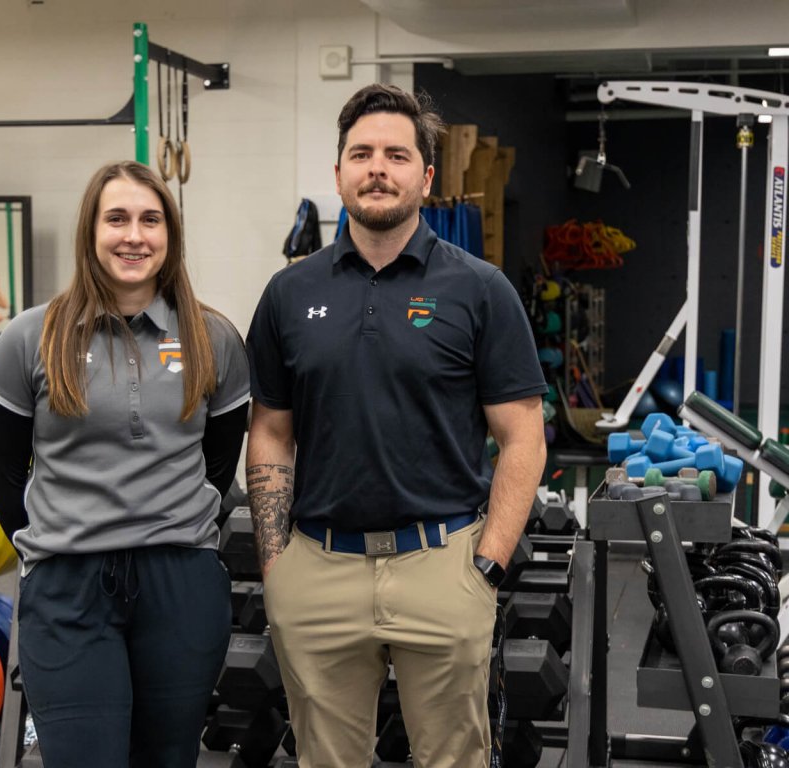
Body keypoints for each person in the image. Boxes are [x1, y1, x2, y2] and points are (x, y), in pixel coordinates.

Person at [245, 84, 547, 768]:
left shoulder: (479, 290)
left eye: (395, 154)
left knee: (453, 760)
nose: (377, 168)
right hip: (316, 568)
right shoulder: (290, 294)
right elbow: (270, 429)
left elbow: (523, 434)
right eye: (361, 154)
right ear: (338, 173)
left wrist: (486, 564)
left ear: (425, 176)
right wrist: (275, 559)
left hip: (442, 563)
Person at [0, 160, 250, 767]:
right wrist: (50, 549)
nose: (135, 235)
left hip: (180, 583)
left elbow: (219, 463)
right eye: (117, 219)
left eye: (151, 220)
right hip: (67, 587)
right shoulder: (31, 338)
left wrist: (169, 525)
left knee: (168, 757)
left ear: (170, 235)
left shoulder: (214, 338)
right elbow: (0, 475)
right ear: (90, 232)